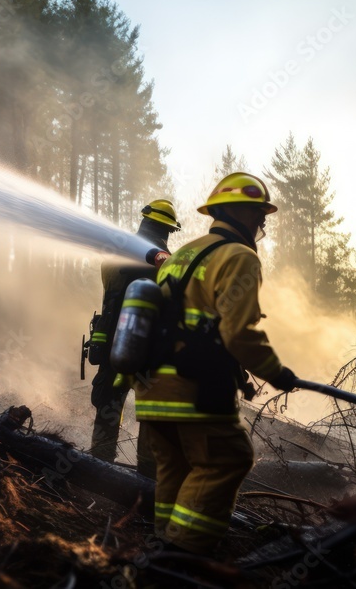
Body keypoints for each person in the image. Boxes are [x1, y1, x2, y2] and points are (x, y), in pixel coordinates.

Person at [133, 172, 297, 556]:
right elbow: (238, 332)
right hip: (195, 389)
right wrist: (276, 372)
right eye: (259, 215)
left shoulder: (185, 254)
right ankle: (183, 557)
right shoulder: (239, 256)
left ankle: (160, 552)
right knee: (228, 459)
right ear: (242, 212)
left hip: (152, 388)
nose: (261, 225)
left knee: (176, 468)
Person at [89, 199, 179, 474]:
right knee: (151, 416)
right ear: (167, 230)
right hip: (147, 352)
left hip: (110, 346)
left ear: (144, 220)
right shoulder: (159, 259)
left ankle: (97, 470)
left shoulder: (117, 254)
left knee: (108, 409)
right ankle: (145, 480)